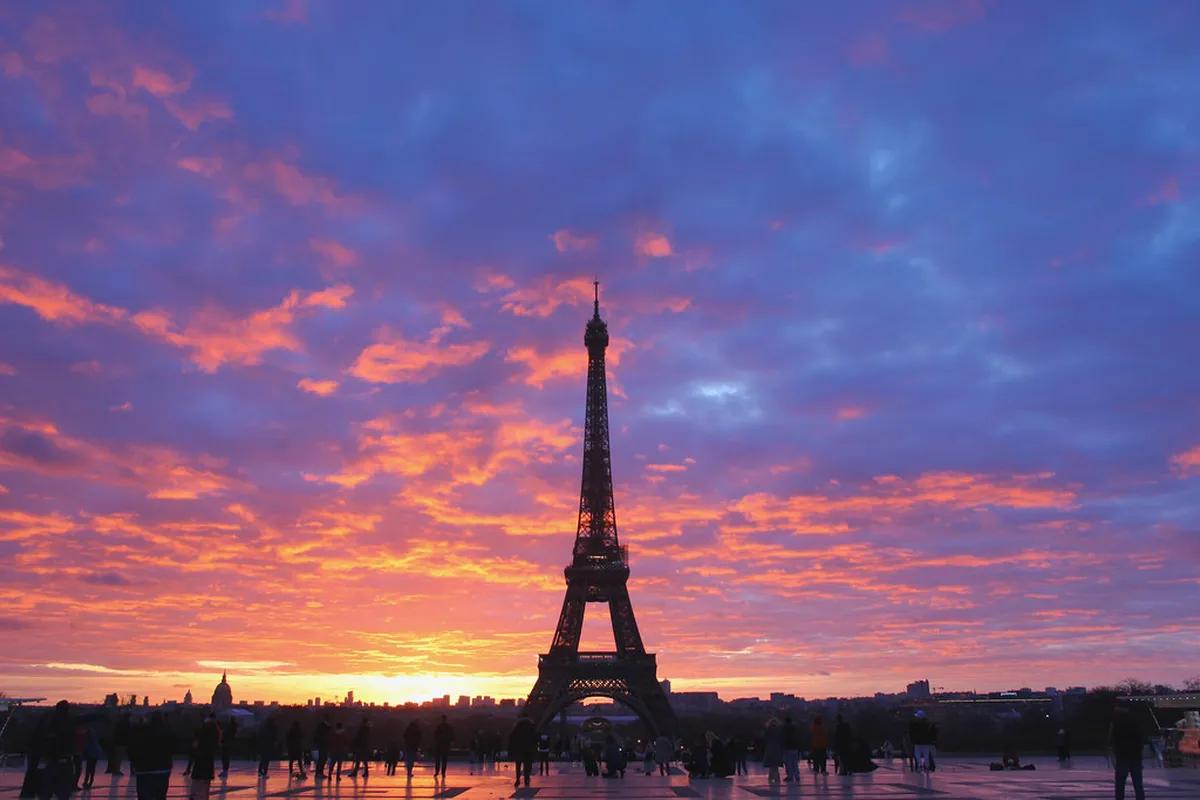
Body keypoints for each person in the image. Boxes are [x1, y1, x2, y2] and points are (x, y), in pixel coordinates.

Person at [132, 714, 173, 800]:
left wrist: (136, 763)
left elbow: (133, 749)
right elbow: (173, 748)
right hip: (162, 768)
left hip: (143, 769)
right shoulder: (167, 731)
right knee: (160, 795)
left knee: (144, 795)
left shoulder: (140, 731)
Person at [1110, 705, 1145, 800]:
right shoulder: (1135, 721)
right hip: (1135, 755)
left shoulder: (1116, 722)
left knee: (1120, 784)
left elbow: (1113, 738)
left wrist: (1115, 750)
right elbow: (1140, 738)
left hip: (1122, 755)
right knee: (1138, 784)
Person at [189, 714, 220, 800]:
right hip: (208, 765)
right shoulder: (215, 735)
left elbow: (194, 749)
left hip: (199, 765)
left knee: (197, 788)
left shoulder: (201, 737)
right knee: (205, 788)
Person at [508, 713, 537, 788]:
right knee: (527, 765)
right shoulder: (531, 725)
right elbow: (535, 738)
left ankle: (518, 779)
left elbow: (512, 738)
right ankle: (526, 779)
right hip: (528, 748)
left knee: (518, 765)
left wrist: (512, 748)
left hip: (519, 748)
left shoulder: (517, 726)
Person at [762, 717, 783, 784]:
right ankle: (776, 778)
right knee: (775, 766)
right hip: (777, 748)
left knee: (771, 766)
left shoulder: (768, 730)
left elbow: (765, 738)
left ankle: (771, 778)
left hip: (770, 748)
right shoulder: (779, 730)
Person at [433, 716, 454, 780]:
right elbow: (452, 735)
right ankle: (443, 772)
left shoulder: (439, 726)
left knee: (438, 759)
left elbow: (435, 735)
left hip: (439, 745)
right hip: (445, 745)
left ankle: (437, 771)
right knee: (444, 760)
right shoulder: (448, 727)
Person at [782, 715, 800, 782]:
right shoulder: (795, 728)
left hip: (788, 747)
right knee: (795, 763)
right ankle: (797, 776)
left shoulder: (784, 728)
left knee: (788, 763)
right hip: (795, 747)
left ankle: (790, 776)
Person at [313, 716, 331, 781]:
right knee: (322, 759)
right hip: (323, 745)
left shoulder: (322, 726)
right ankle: (319, 773)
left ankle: (319, 773)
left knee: (322, 759)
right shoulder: (324, 727)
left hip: (322, 745)